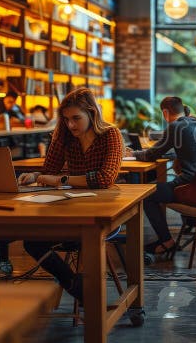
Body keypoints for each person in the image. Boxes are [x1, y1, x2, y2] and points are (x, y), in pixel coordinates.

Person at [16, 87, 123, 302]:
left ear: (92, 113)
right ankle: (74, 284)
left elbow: (104, 179)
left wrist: (62, 180)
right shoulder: (64, 136)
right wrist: (36, 175)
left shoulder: (110, 135)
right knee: (31, 241)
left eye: (76, 118)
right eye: (66, 119)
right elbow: (50, 171)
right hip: (72, 210)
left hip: (104, 213)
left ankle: (79, 289)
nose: (71, 125)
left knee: (43, 240)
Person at [126, 96, 196, 259]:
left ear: (165, 112)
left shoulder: (175, 126)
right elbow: (187, 151)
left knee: (145, 195)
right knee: (156, 189)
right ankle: (164, 239)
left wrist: (132, 153)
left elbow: (151, 155)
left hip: (192, 189)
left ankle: (166, 242)